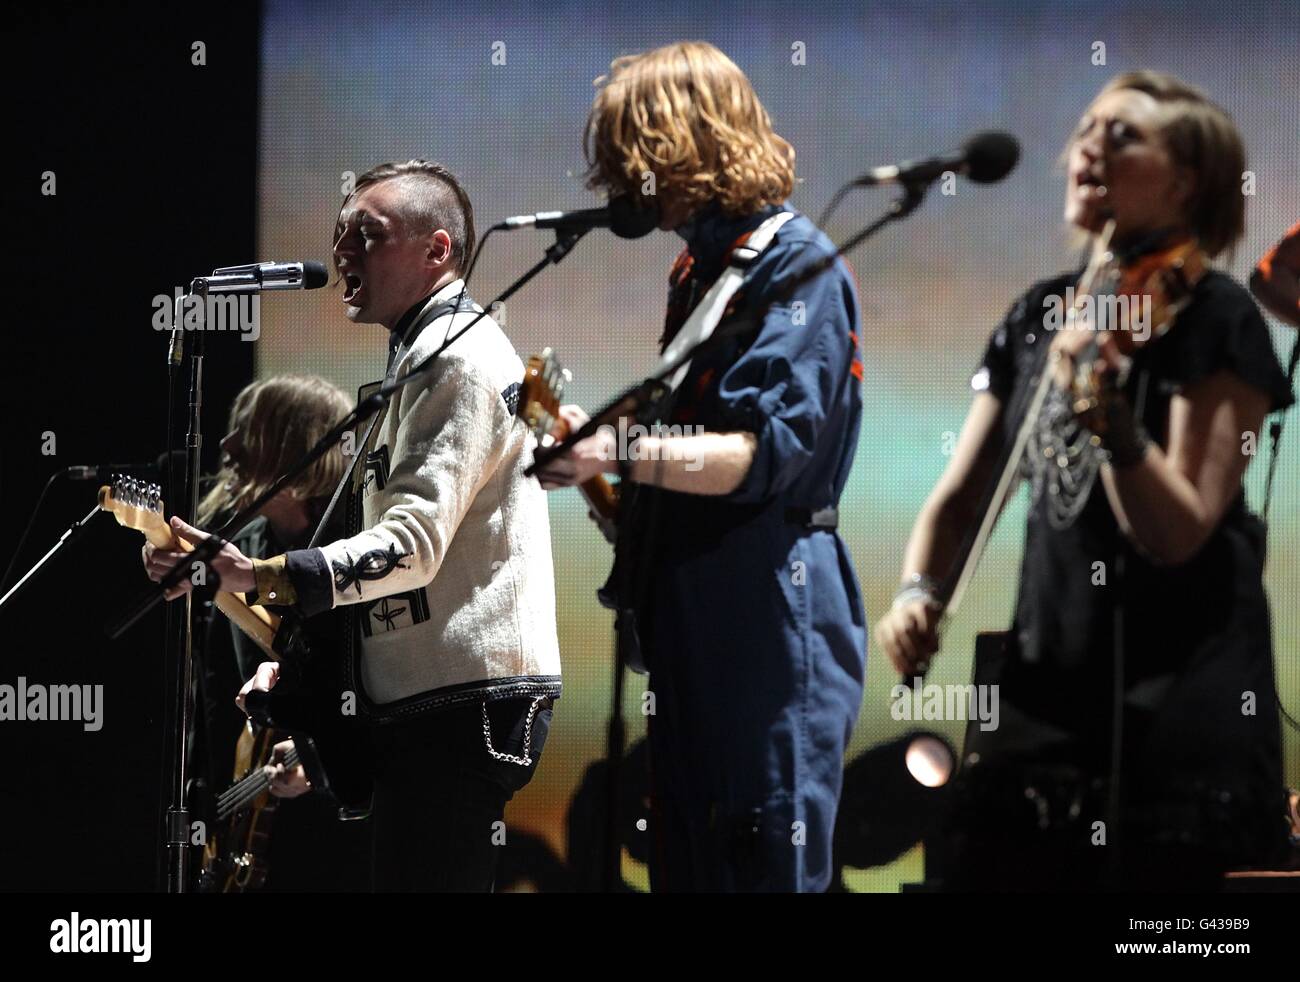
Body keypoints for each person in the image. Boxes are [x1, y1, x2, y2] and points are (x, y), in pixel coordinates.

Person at [874, 71, 1292, 890]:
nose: (1088, 147)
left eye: (1124, 135)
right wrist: (919, 590)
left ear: (1187, 180)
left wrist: (1107, 415)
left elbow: (1178, 531)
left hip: (1179, 712)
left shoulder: (1219, 318)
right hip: (1044, 697)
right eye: (1086, 130)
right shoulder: (1042, 314)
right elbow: (963, 499)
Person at [144, 160, 561, 891]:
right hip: (431, 706)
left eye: (366, 235)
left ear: (438, 250)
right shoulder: (421, 358)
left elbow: (412, 545)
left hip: (456, 711)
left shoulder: (457, 364)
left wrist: (259, 573)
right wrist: (302, 658)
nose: (342, 252)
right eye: (340, 235)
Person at [535, 41, 866, 892]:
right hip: (693, 620)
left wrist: (618, 447)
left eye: (632, 157)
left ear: (689, 142)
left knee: (761, 860)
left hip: (768, 611)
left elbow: (762, 455)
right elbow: (676, 476)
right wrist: (598, 475)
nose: (620, 184)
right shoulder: (699, 272)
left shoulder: (796, 264)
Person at [190, 373, 372, 892]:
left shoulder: (358, 545)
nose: (226, 446)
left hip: (347, 825)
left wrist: (316, 762)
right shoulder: (243, 544)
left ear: (297, 449)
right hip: (266, 817)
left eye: (250, 431)